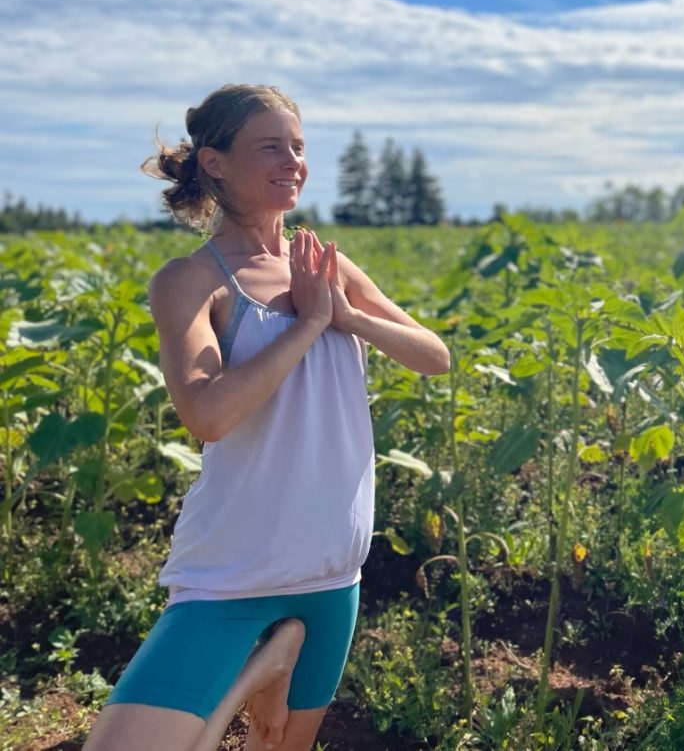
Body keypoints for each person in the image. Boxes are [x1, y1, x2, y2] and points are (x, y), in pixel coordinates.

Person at [83, 84, 450, 751]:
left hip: (332, 575)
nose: (293, 161)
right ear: (216, 162)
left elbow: (435, 357)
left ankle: (273, 676)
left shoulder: (329, 268)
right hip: (232, 575)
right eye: (270, 147)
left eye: (299, 147)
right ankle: (262, 674)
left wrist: (347, 314)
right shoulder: (191, 280)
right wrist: (307, 325)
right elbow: (208, 415)